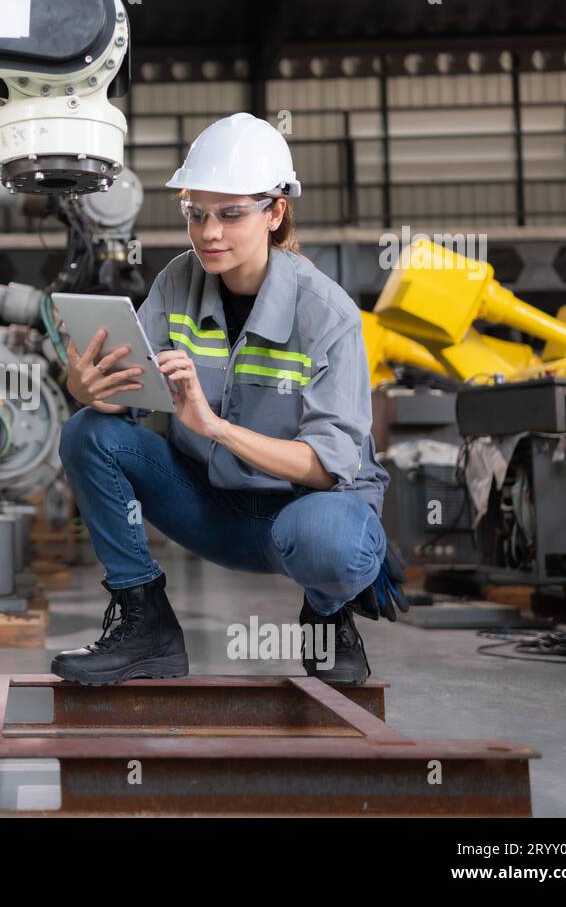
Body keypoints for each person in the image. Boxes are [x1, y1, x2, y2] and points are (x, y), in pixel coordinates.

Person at [53, 112, 407, 687]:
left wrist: (212, 425)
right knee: (87, 431)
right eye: (196, 214)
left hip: (302, 517)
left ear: (275, 212)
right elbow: (131, 396)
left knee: (331, 542)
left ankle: (327, 612)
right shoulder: (176, 283)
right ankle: (146, 624)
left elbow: (326, 467)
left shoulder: (327, 312)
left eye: (231, 214)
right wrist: (89, 387)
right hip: (210, 506)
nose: (209, 233)